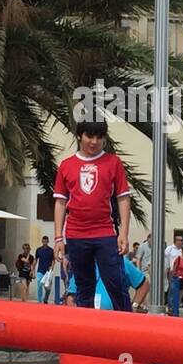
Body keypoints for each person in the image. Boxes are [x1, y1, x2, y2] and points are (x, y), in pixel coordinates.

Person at [52, 119, 132, 312]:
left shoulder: (113, 162)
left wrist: (124, 234)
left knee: (116, 283)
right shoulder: (66, 165)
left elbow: (123, 198)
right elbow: (60, 202)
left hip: (105, 233)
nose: (94, 141)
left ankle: (129, 330)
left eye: (99, 137)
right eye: (90, 136)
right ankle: (86, 334)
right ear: (80, 136)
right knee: (83, 286)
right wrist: (58, 238)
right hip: (76, 235)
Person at [67, 254, 149, 311]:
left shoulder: (121, 262)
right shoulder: (83, 264)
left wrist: (134, 306)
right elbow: (71, 297)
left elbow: (144, 284)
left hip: (115, 322)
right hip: (88, 321)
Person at [164, 233, 183, 316]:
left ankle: (177, 305)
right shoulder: (169, 249)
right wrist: (167, 272)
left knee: (180, 291)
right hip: (172, 272)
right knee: (171, 289)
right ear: (176, 241)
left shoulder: (182, 250)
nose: (181, 242)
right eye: (180, 240)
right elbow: (166, 261)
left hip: (181, 273)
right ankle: (170, 306)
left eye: (182, 240)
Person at [35, 235, 56, 303]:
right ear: (42, 241)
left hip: (47, 271)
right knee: (39, 285)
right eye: (43, 241)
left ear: (48, 242)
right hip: (40, 270)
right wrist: (32, 269)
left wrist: (52, 267)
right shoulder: (38, 250)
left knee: (47, 287)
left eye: (46, 241)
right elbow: (36, 259)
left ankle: (45, 298)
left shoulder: (51, 250)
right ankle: (39, 300)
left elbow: (53, 260)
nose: (44, 243)